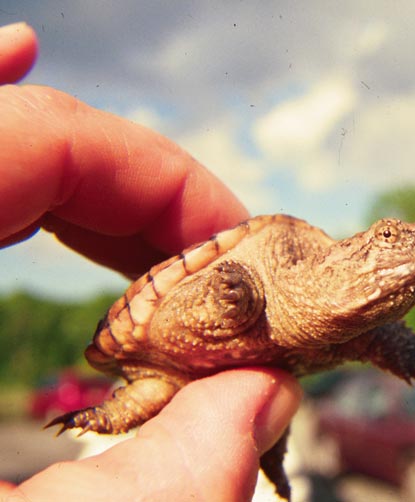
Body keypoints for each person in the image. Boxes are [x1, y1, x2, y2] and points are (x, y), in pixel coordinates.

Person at [0, 22, 301, 501]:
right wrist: (234, 293)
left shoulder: (346, 318)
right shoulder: (283, 256)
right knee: (150, 390)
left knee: (151, 396)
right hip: (159, 347)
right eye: (389, 236)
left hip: (174, 375)